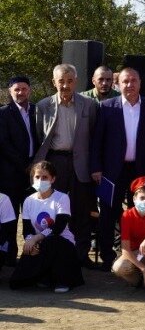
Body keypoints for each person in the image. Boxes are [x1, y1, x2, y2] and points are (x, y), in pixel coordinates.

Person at [90, 67, 145, 270]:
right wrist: (96, 167)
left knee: (141, 213)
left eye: (133, 80)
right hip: (109, 171)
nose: (129, 85)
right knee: (107, 213)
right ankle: (107, 257)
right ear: (117, 84)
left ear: (140, 83)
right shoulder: (106, 107)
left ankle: (142, 256)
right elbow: (97, 141)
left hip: (140, 170)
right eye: (125, 81)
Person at [33, 64, 98, 266]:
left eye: (69, 81)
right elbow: (39, 137)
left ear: (75, 82)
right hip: (55, 162)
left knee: (82, 210)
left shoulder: (89, 105)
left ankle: (81, 254)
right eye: (61, 81)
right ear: (54, 82)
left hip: (81, 162)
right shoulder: (43, 106)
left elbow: (94, 134)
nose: (65, 85)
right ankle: (54, 251)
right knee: (55, 209)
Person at [9, 161, 84, 292]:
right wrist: (29, 242)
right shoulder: (28, 200)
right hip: (40, 243)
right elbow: (27, 228)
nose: (40, 180)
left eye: (45, 177)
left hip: (62, 244)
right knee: (17, 282)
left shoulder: (62, 198)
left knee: (52, 242)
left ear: (53, 179)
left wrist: (36, 239)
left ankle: (63, 280)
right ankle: (44, 277)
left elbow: (58, 227)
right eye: (37, 177)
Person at [0, 75, 37, 264]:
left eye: (24, 89)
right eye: (17, 89)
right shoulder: (3, 114)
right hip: (11, 175)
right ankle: (9, 256)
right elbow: (4, 144)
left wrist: (34, 165)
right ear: (10, 91)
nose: (21, 92)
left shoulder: (37, 111)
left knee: (31, 216)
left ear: (29, 90)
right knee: (11, 217)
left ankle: (30, 255)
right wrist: (24, 166)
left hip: (34, 175)